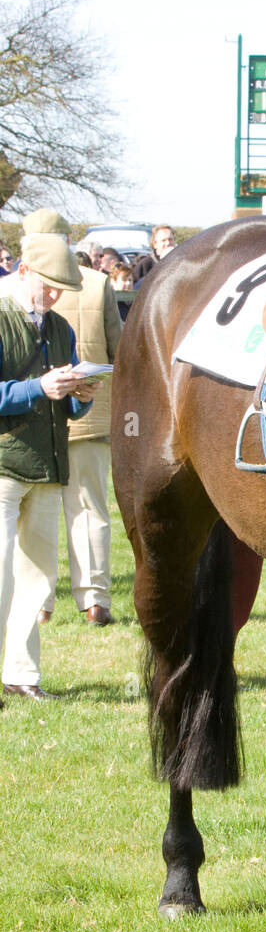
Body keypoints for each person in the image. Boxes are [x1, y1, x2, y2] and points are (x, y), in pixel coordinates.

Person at [0, 220, 99, 700]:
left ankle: (22, 674)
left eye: (63, 290)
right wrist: (38, 388)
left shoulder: (60, 327)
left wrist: (82, 395)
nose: (56, 298)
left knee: (37, 578)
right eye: (50, 287)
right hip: (3, 466)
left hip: (47, 464)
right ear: (23, 271)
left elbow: (72, 405)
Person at [29, 211, 122, 628]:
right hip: (88, 410)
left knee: (36, 513)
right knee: (89, 509)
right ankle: (94, 599)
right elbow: (119, 347)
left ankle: (40, 602)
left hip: (31, 417)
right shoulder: (99, 283)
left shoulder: (9, 287)